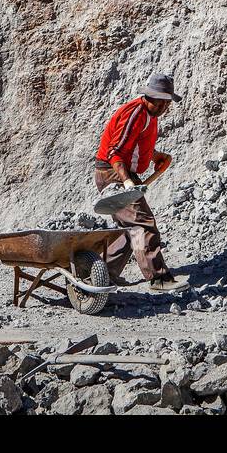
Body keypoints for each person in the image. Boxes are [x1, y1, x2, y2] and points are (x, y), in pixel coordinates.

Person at [94, 73, 187, 293]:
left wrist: (155, 156)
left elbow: (134, 146)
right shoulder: (135, 113)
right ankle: (159, 279)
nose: (165, 106)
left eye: (167, 102)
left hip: (123, 173)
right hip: (113, 173)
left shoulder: (149, 116)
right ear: (149, 97)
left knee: (132, 230)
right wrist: (126, 182)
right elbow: (115, 152)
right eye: (161, 101)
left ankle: (101, 275)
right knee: (143, 223)